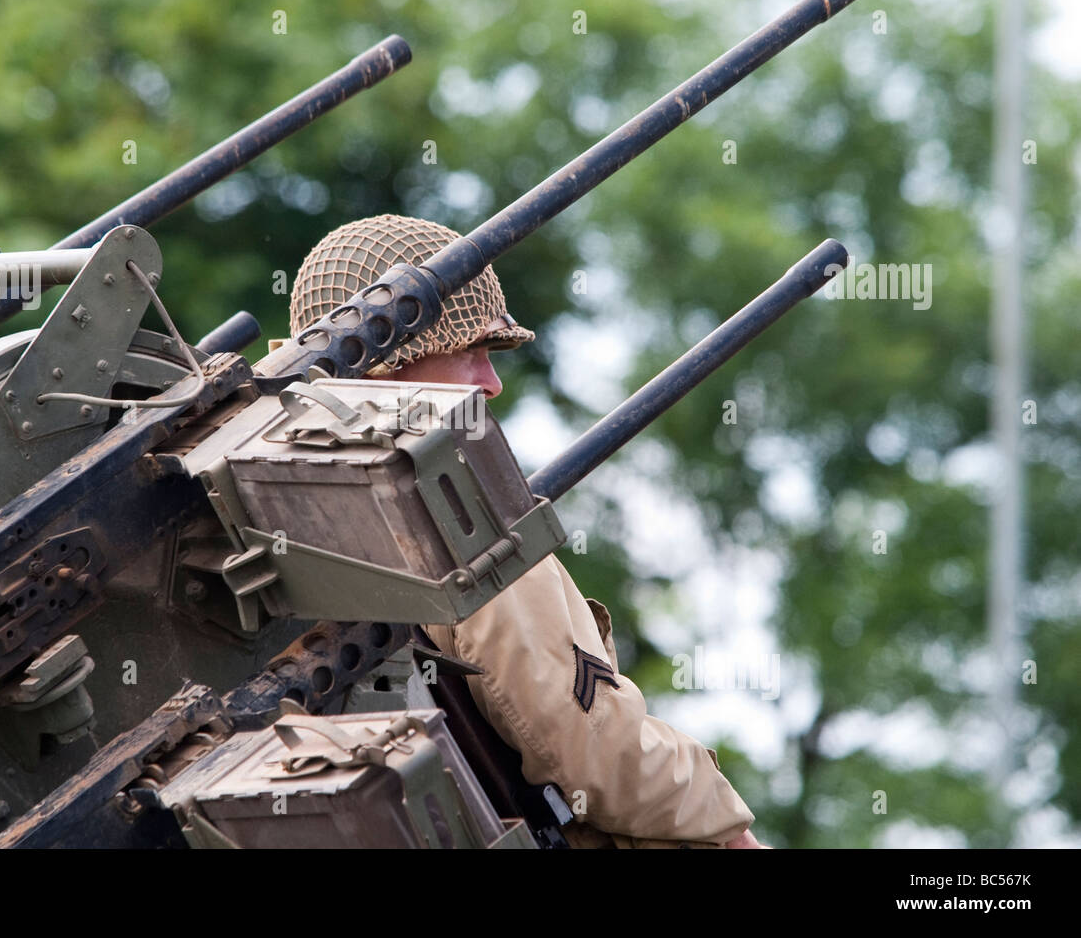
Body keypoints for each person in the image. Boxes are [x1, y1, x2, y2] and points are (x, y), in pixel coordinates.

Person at [289, 214, 763, 849]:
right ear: (383, 369)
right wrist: (726, 826)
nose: (492, 381)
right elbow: (593, 756)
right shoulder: (455, 524)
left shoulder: (278, 525)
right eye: (470, 352)